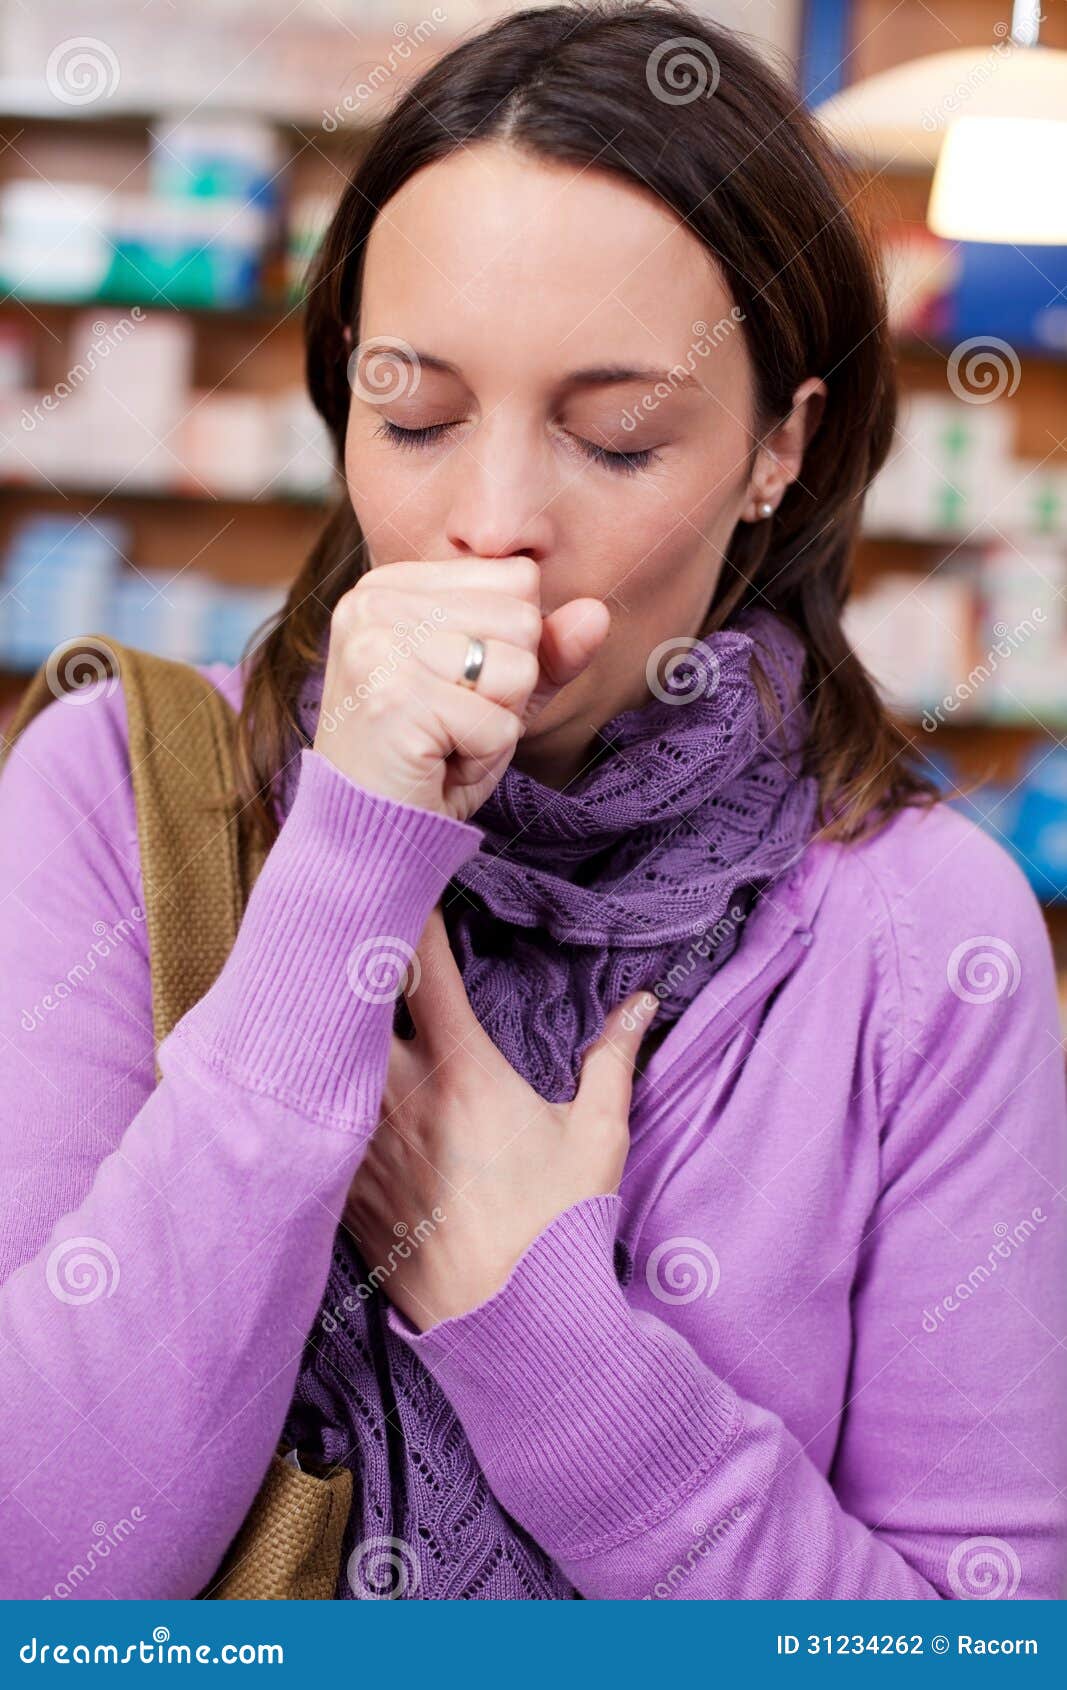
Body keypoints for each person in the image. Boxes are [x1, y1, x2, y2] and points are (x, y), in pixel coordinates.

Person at [1, 0, 1064, 1601]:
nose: (490, 525)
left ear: (783, 444)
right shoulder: (109, 795)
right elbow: (40, 1582)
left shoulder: (928, 935)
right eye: (415, 417)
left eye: (619, 438)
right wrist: (343, 869)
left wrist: (540, 1324)